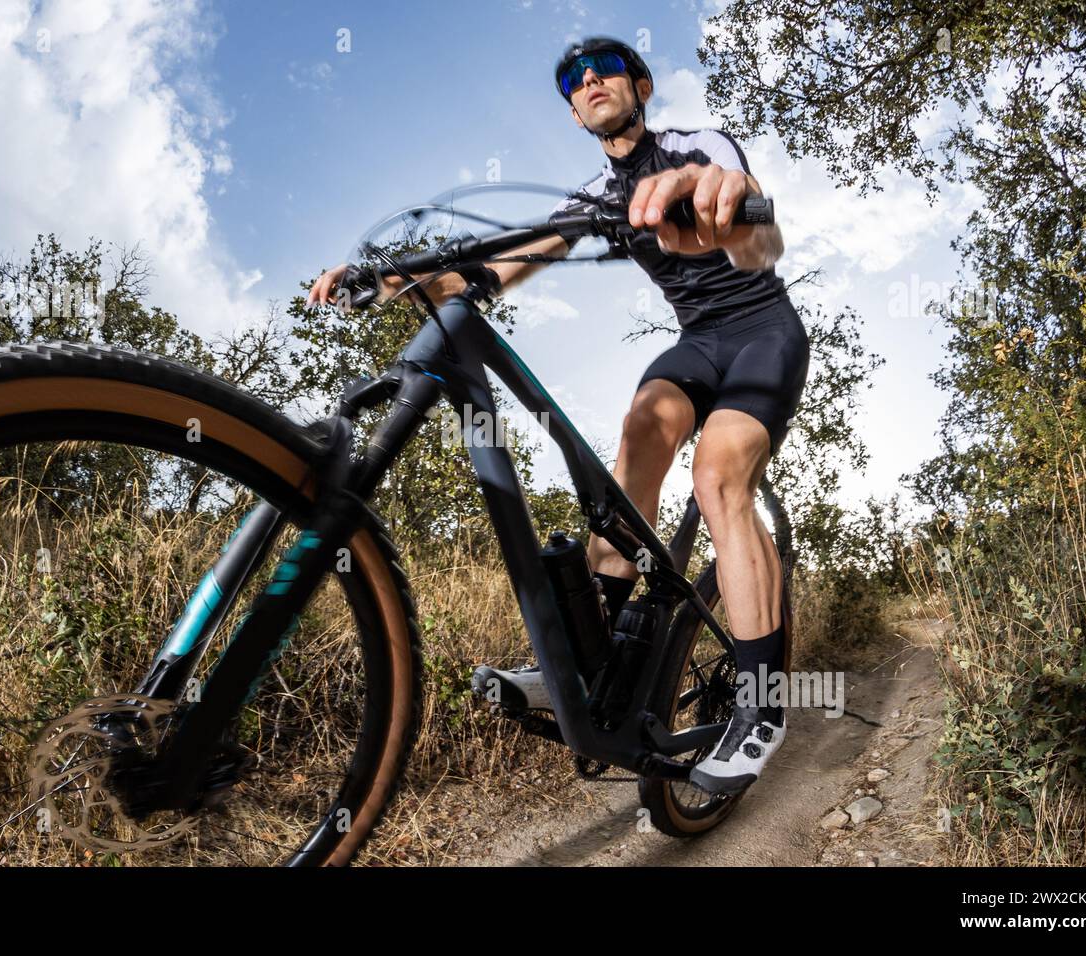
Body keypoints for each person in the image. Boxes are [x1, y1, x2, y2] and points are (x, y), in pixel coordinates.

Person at [305, 36, 809, 798]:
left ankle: (762, 705)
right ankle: (582, 660)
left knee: (718, 477)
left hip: (761, 334)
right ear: (575, 113)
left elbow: (759, 241)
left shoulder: (695, 147)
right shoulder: (591, 199)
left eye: (603, 68)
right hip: (696, 345)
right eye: (572, 81)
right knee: (639, 434)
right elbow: (492, 270)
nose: (589, 82)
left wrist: (726, 203)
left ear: (639, 83)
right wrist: (389, 279)